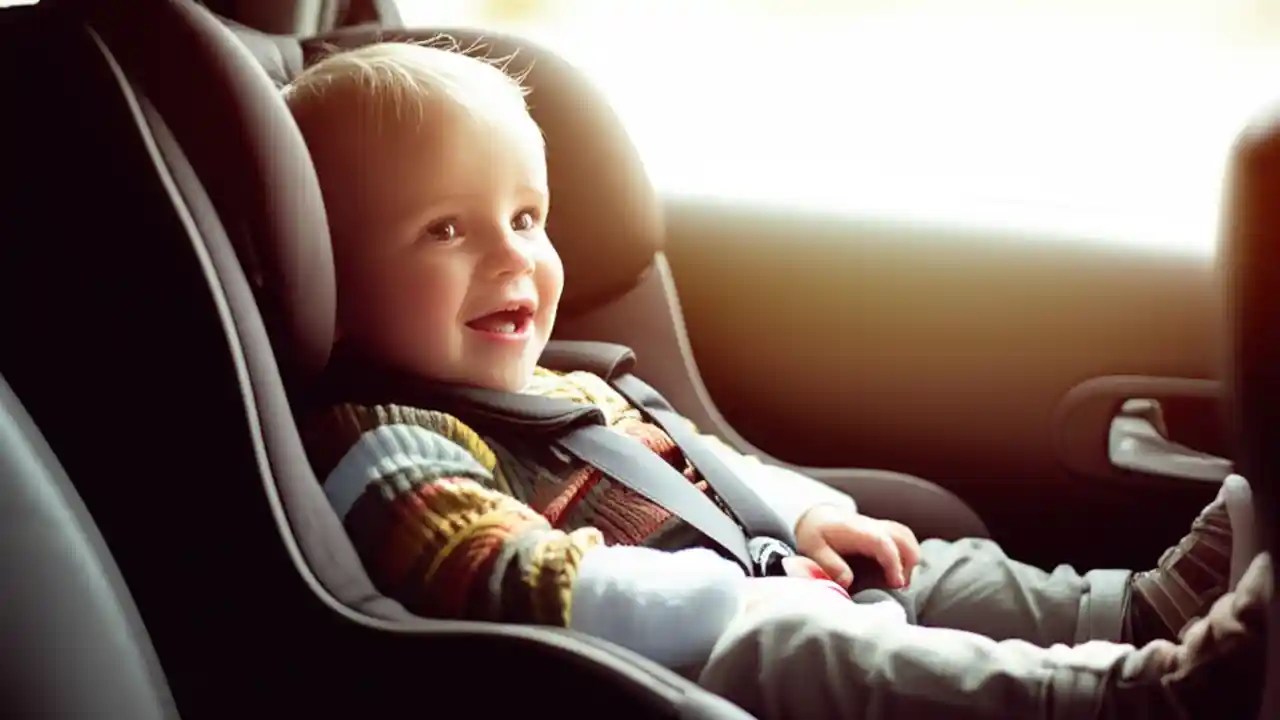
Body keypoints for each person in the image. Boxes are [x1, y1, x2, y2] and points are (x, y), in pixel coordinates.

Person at [284, 40, 1272, 719]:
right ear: (324, 269)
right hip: (680, 657)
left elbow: (705, 460)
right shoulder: (388, 439)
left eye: (527, 219)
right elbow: (507, 582)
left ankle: (1135, 611)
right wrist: (731, 596)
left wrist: (802, 520)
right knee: (823, 649)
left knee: (927, 569)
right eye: (446, 230)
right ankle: (1130, 699)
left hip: (756, 569)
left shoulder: (563, 387)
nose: (513, 260)